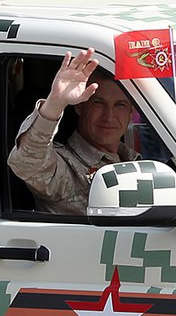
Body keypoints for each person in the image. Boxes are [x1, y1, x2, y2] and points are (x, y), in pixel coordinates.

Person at [9, 50, 135, 213]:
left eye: (120, 105)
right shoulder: (67, 166)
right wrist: (56, 103)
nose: (109, 116)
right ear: (80, 107)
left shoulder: (133, 158)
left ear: (131, 112)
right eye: (98, 103)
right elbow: (27, 163)